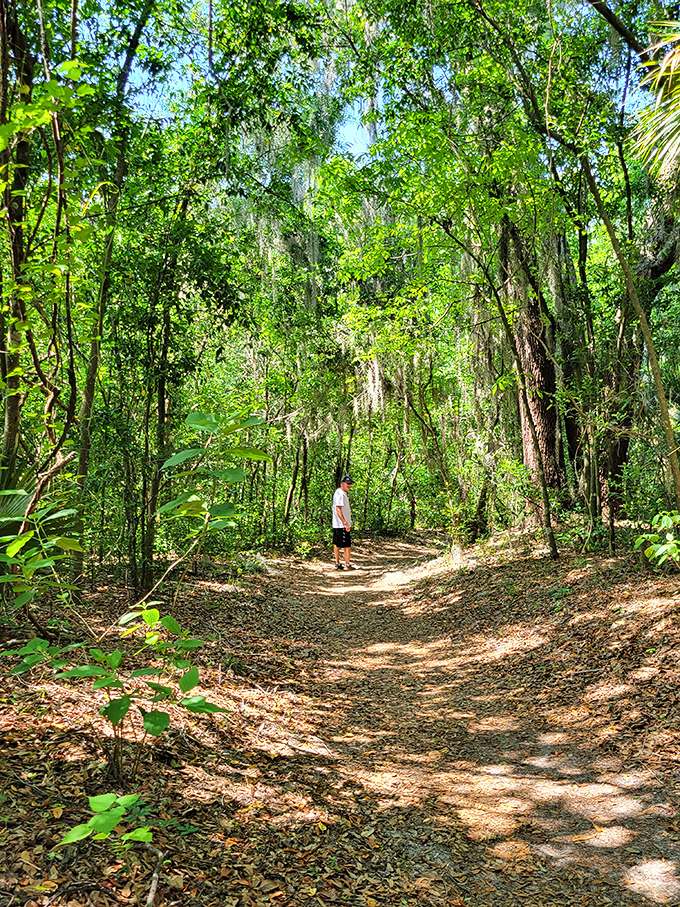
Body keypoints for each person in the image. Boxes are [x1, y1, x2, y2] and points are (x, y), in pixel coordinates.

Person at [332, 475, 356, 570]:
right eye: (347, 483)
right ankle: (346, 564)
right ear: (342, 484)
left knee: (338, 544)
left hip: (338, 524)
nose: (349, 485)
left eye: (350, 484)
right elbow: (338, 509)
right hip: (341, 524)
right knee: (346, 545)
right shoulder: (340, 494)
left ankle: (338, 563)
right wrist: (345, 523)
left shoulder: (340, 493)